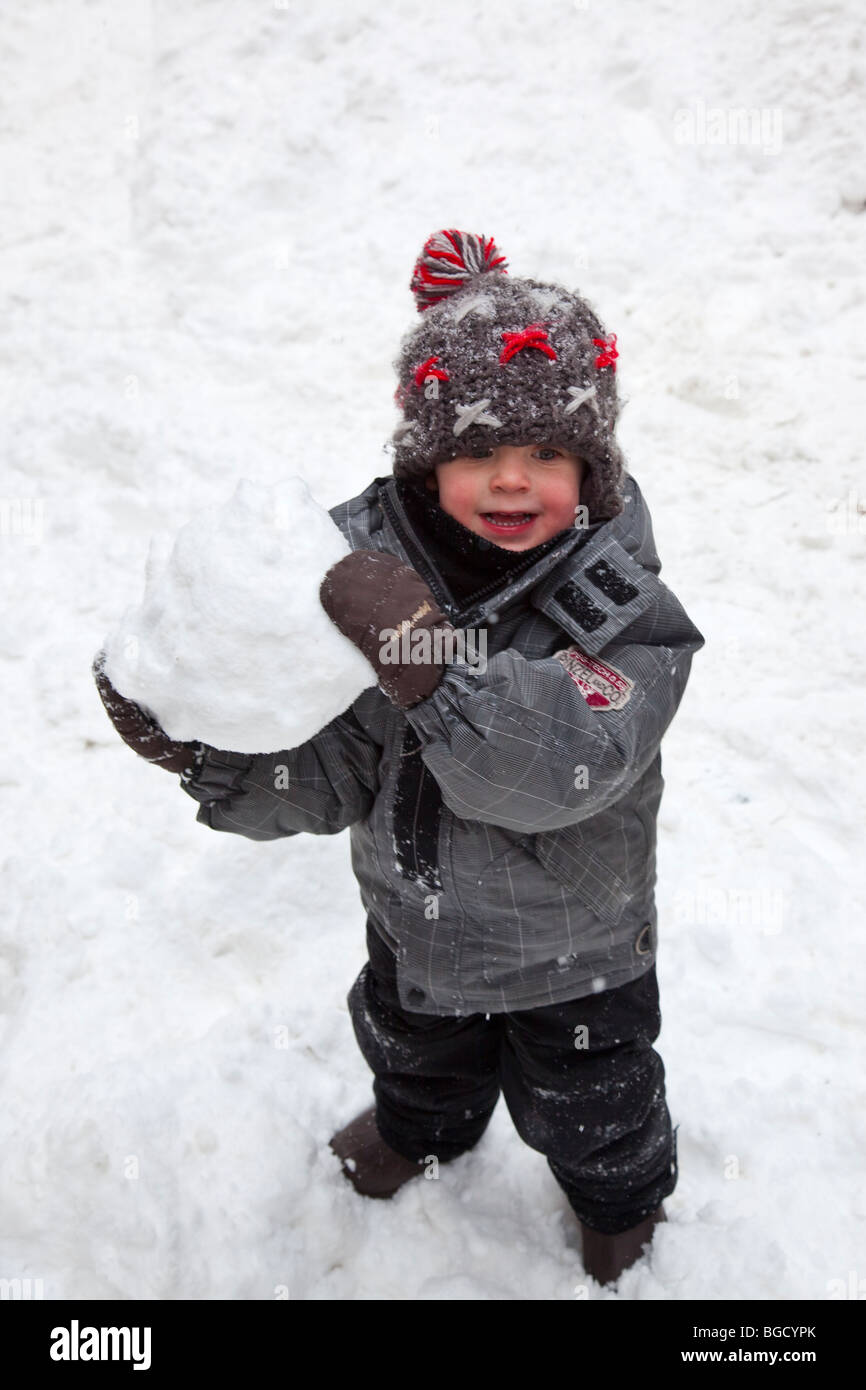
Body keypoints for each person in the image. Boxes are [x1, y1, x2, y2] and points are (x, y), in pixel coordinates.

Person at [92, 229, 705, 1287]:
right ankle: (423, 1130)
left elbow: (551, 770)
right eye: (474, 454)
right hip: (414, 923)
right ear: (425, 461)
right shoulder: (365, 579)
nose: (510, 482)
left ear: (592, 469)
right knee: (413, 1055)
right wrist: (207, 751)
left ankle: (617, 1205)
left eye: (547, 457)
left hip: (579, 946)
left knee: (594, 1101)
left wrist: (425, 659)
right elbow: (333, 767)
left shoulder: (622, 616)